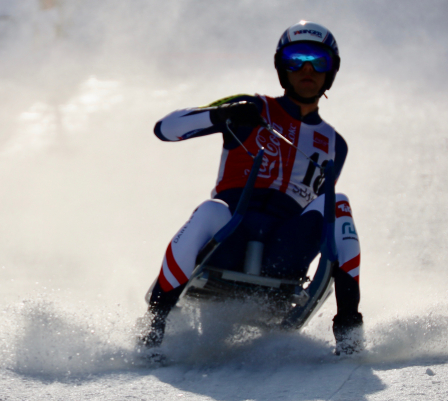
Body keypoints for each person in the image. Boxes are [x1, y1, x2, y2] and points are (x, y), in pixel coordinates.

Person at [139, 21, 364, 355]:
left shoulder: (335, 144)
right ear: (280, 67)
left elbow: (325, 218)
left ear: (331, 72)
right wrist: (222, 115)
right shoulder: (253, 107)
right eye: (295, 59)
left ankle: (349, 334)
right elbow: (165, 129)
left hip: (284, 250)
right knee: (210, 210)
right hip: (230, 234)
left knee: (339, 203)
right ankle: (153, 328)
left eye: (318, 61)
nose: (306, 69)